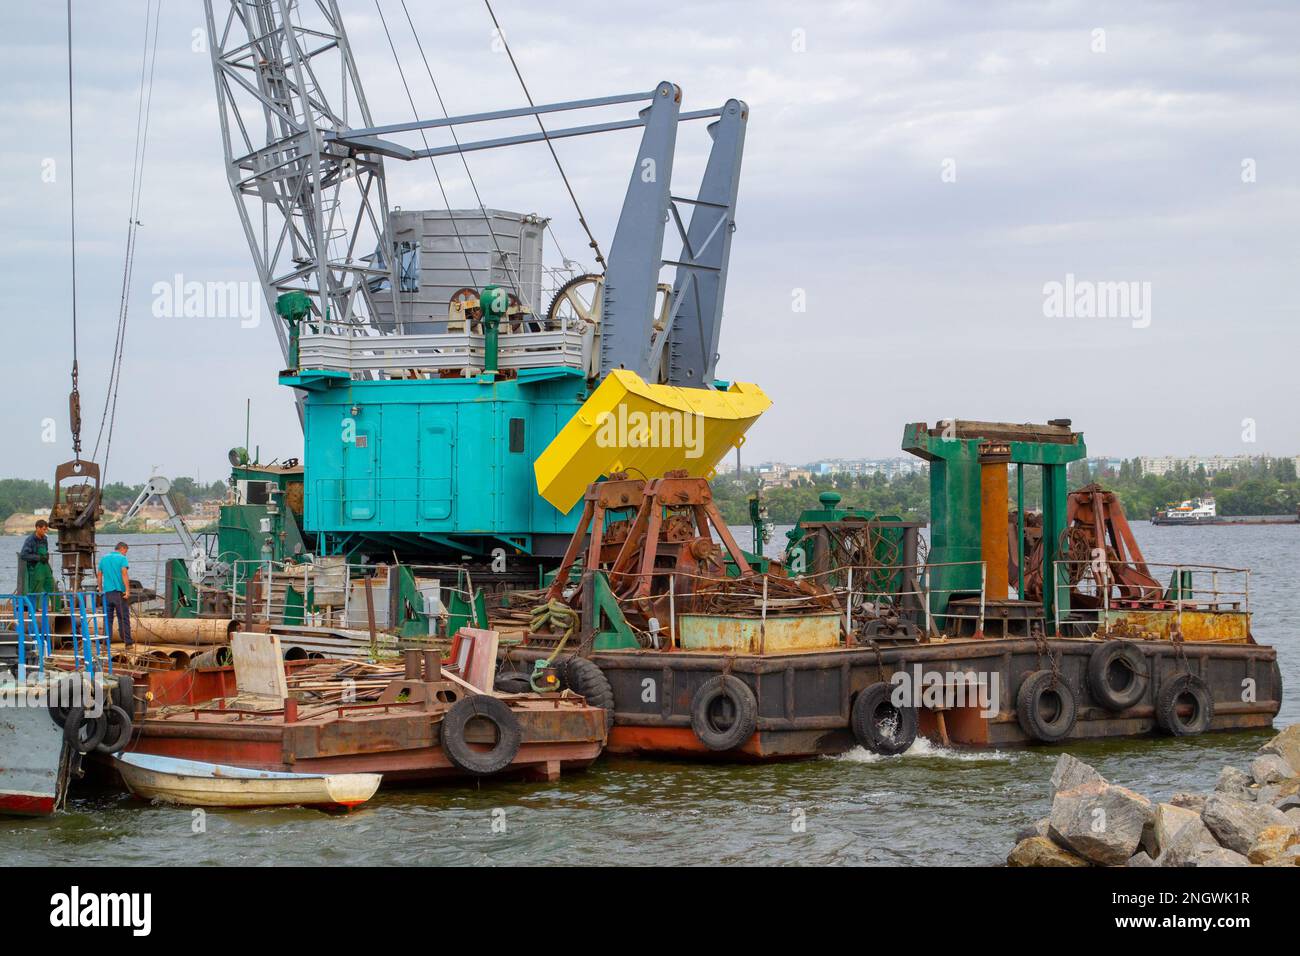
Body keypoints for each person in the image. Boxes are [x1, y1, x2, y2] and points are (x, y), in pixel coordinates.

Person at [97, 541, 134, 648]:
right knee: (123, 618)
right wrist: (127, 590)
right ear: (122, 548)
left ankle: (106, 643)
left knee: (107, 619)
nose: (125, 554)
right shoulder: (122, 558)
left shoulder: (104, 558)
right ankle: (127, 642)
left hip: (107, 593)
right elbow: (124, 574)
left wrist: (100, 589)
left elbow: (99, 575)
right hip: (119, 593)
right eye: (125, 551)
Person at [18, 519, 58, 597]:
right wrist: (38, 558)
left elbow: (45, 550)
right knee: (34, 589)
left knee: (52, 587)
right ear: (37, 528)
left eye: (46, 529)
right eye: (44, 529)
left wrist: (46, 556)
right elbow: (23, 555)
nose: (45, 531)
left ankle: (56, 608)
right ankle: (32, 608)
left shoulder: (45, 539)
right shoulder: (30, 540)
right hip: (34, 569)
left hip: (44, 566)